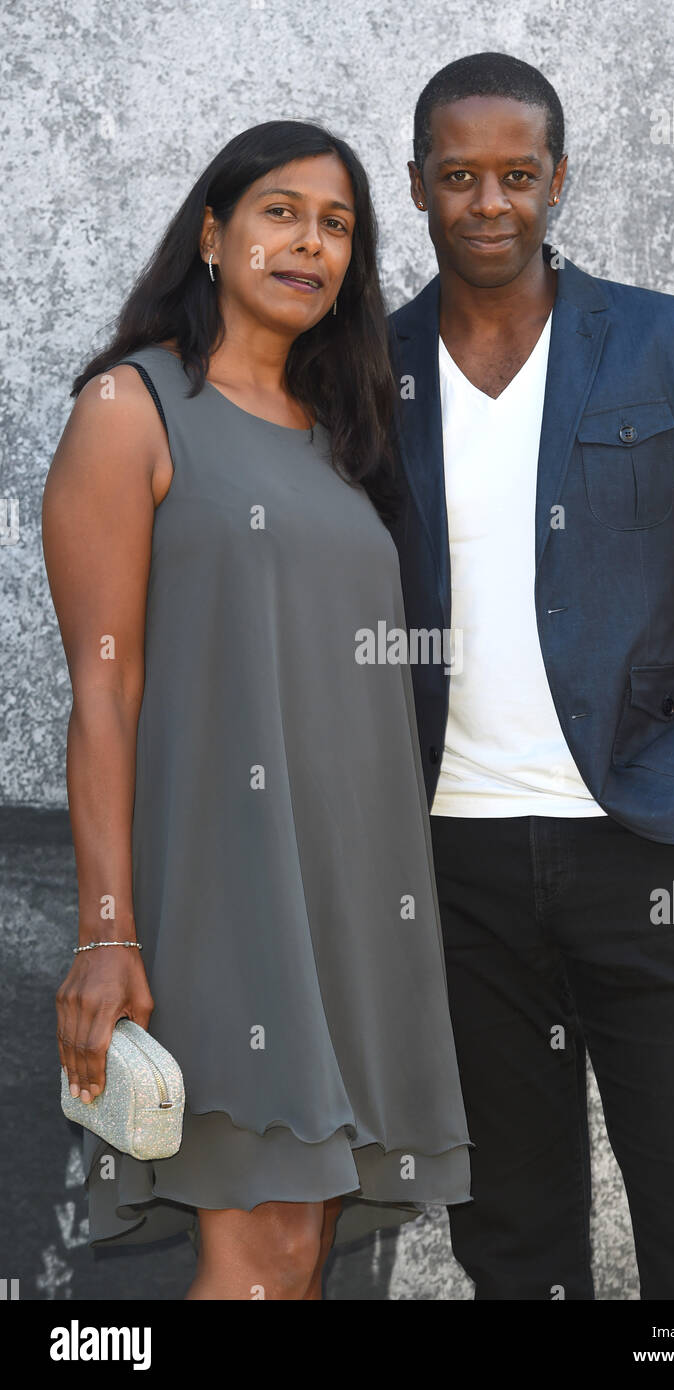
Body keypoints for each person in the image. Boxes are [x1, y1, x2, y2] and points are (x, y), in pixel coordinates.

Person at [386, 52, 674, 1299]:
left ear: (557, 180)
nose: (487, 203)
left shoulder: (672, 345)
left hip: (647, 850)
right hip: (452, 870)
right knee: (512, 1240)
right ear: (416, 186)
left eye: (515, 175)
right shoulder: (367, 363)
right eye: (457, 176)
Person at [42, 119, 471, 1301]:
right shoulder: (132, 408)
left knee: (303, 1245)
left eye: (337, 226)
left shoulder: (344, 442)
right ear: (214, 232)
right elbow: (104, 686)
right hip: (220, 890)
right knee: (257, 1243)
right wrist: (107, 931)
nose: (310, 243)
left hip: (352, 893)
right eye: (281, 211)